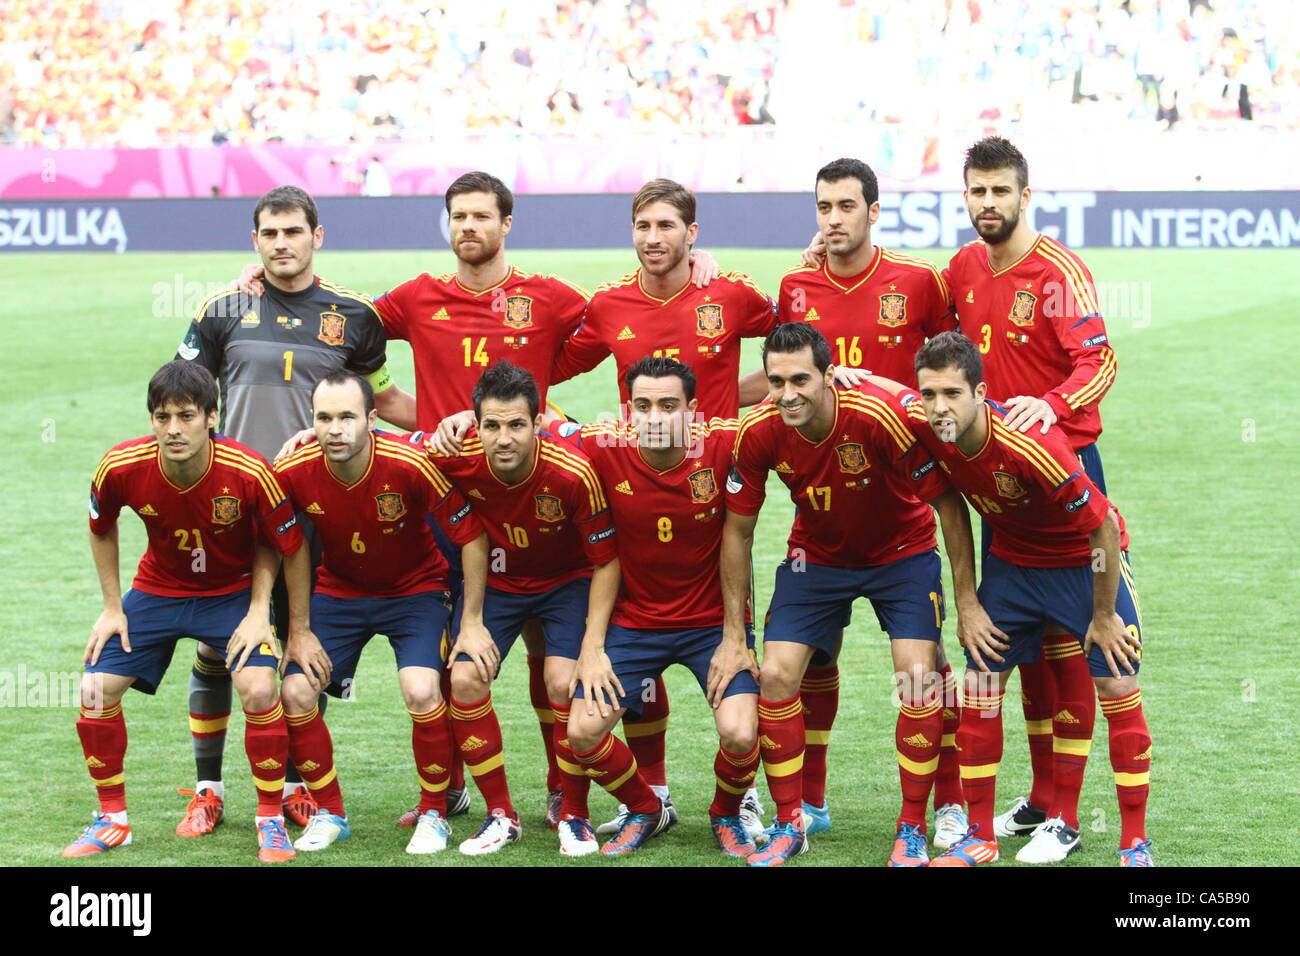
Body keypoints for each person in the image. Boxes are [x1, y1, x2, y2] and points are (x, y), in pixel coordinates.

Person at [261, 171, 720, 826]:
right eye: (458, 216)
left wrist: (688, 265)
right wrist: (344, 398)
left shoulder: (549, 298)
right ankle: (449, 788)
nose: (468, 227)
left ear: (507, 224)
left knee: (550, 655)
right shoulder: (418, 298)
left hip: (532, 493)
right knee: (455, 655)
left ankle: (569, 789)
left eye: (481, 216)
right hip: (445, 501)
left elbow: (626, 313)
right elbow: (341, 326)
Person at [176, 185, 416, 834]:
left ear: (318, 236)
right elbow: (184, 400)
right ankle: (207, 786)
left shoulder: (354, 317)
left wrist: (452, 428)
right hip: (234, 505)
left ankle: (287, 786)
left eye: (293, 231)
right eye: (270, 233)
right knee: (214, 645)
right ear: (255, 241)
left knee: (301, 646)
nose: (282, 243)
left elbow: (381, 401)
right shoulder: (223, 309)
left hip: (318, 507)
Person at [748, 158, 964, 845]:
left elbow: (954, 362)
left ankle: (948, 801)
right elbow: (785, 372)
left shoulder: (917, 282)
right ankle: (806, 804)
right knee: (811, 661)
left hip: (904, 493)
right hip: (825, 518)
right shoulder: (796, 285)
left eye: (846, 206)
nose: (834, 219)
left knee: (925, 671)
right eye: (824, 207)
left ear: (874, 210)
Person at [722, 323, 977, 868]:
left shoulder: (879, 415)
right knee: (776, 674)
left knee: (920, 675)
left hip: (902, 555)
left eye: (800, 380)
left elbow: (949, 507)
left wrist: (968, 604)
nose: (787, 394)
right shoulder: (761, 429)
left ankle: (915, 824)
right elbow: (737, 533)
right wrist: (733, 633)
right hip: (817, 557)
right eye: (775, 381)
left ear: (829, 376)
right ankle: (793, 820)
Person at [905, 332, 1151, 867]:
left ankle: (1134, 842)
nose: (939, 406)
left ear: (980, 391)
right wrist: (966, 602)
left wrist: (1104, 615)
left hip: (1080, 564)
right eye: (929, 394)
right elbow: (947, 505)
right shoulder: (926, 428)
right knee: (981, 679)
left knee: (1117, 678)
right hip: (1014, 565)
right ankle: (979, 837)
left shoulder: (1031, 442)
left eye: (952, 393)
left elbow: (1103, 526)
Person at [943, 136, 1120, 843]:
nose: (988, 203)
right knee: (1025, 643)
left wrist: (1055, 404)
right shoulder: (960, 267)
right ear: (966, 195)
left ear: (1025, 194)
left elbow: (1099, 360)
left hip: (1063, 475)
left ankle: (1069, 816)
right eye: (977, 191)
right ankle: (1043, 798)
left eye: (1000, 191)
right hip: (995, 487)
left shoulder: (1057, 271)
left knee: (1071, 644)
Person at [65, 361, 304, 863]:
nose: (173, 429)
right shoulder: (121, 465)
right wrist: (112, 606)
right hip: (157, 591)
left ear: (211, 417)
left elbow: (278, 541)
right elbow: (100, 525)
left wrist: (261, 609)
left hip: (230, 593)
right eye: (162, 416)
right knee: (93, 689)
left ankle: (269, 819)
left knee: (260, 688)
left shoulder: (248, 470)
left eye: (186, 416)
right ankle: (113, 820)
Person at [273, 371, 488, 856]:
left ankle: (435, 813)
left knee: (420, 689)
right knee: (295, 689)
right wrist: (298, 628)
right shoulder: (293, 468)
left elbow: (471, 535)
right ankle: (330, 812)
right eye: (324, 418)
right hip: (340, 592)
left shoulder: (410, 463)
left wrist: (470, 620)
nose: (335, 430)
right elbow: (283, 543)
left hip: (416, 593)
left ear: (371, 419)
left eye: (347, 417)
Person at [557, 357, 761, 859]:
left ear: (693, 410)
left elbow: (789, 405)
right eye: (642, 406)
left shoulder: (724, 442)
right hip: (634, 624)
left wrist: (847, 376)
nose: (654, 417)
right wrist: (592, 646)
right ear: (628, 412)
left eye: (668, 406)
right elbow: (535, 422)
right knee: (582, 731)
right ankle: (647, 807)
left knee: (740, 732)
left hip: (712, 624)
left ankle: (726, 812)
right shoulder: (600, 446)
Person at [422, 361, 620, 857]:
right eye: (491, 425)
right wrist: (304, 436)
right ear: (475, 424)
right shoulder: (456, 454)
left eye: (516, 425)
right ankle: (500, 815)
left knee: (560, 682)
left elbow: (606, 563)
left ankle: (572, 811)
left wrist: (593, 647)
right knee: (464, 677)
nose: (503, 438)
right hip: (499, 584)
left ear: (538, 424)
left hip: (566, 583)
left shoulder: (574, 472)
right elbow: (378, 446)